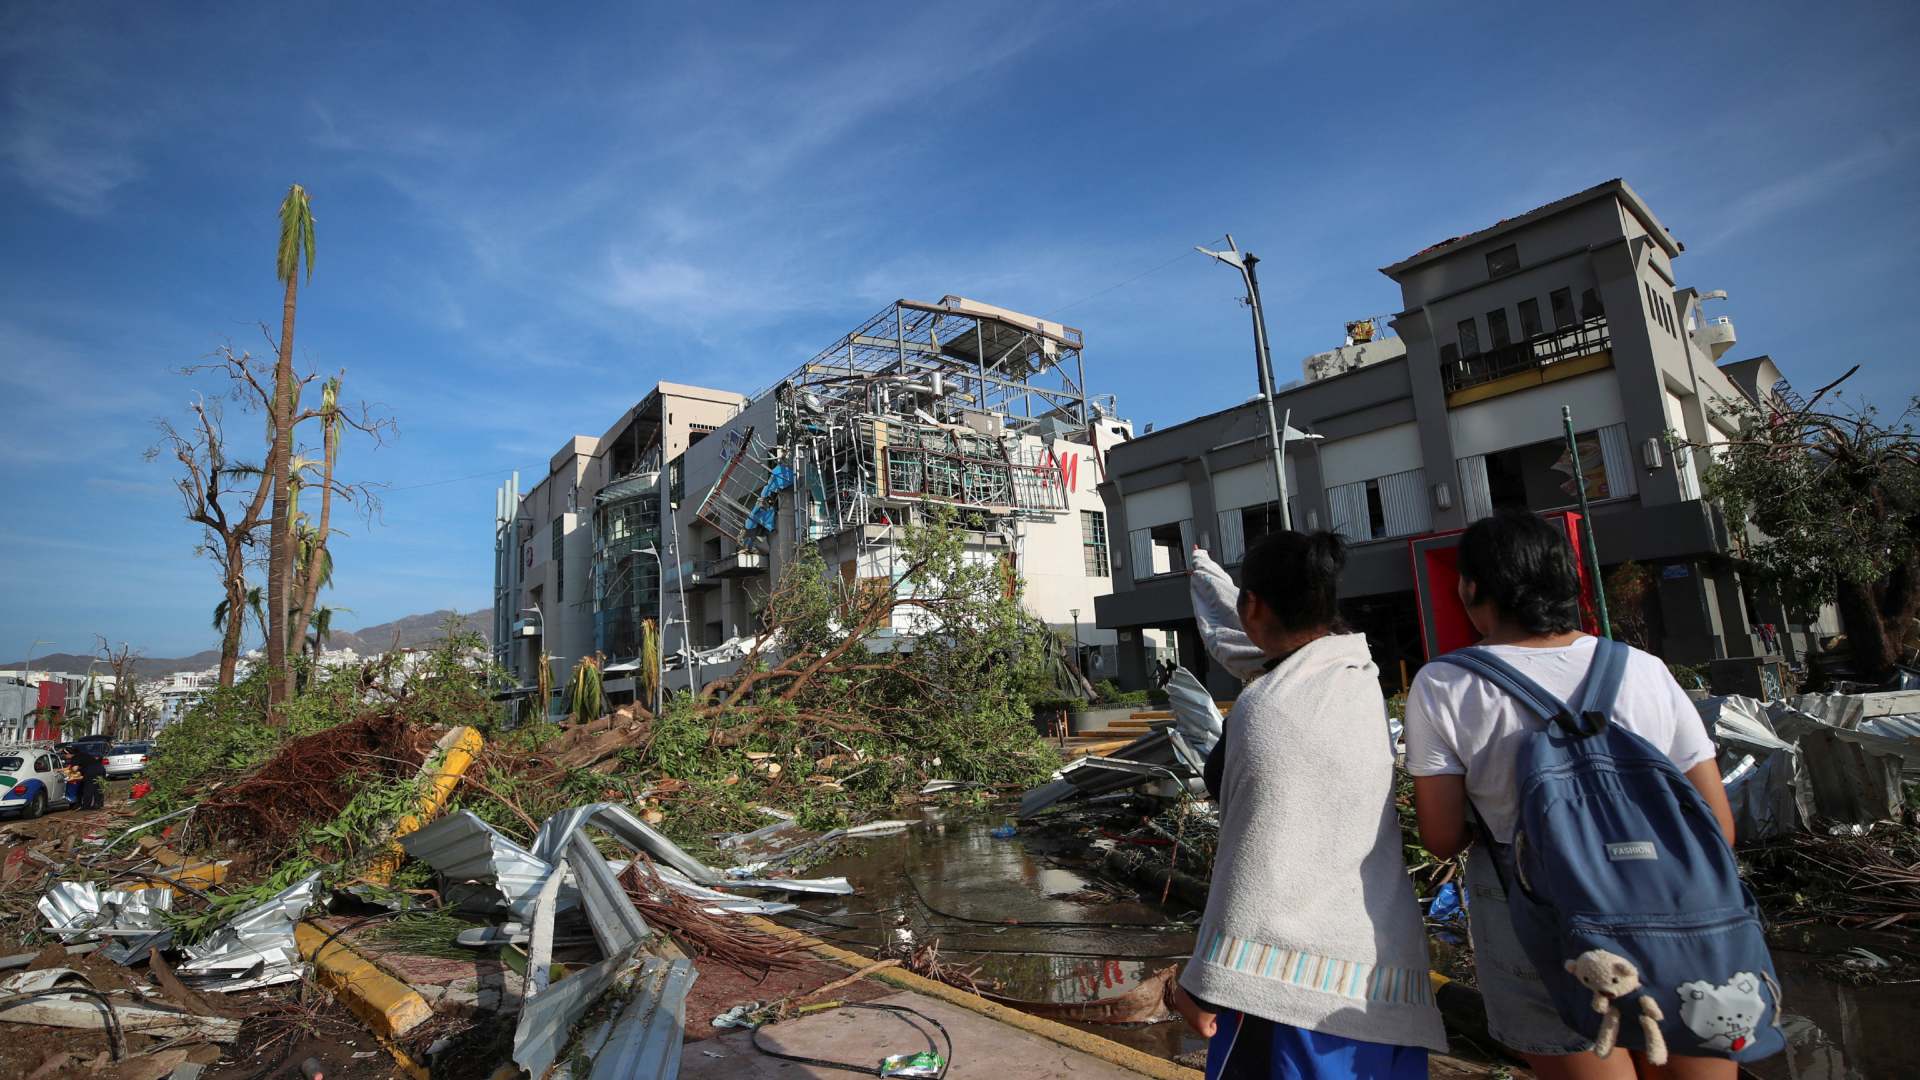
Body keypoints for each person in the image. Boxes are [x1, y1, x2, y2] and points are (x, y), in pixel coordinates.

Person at [1404, 510, 1736, 1080]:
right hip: (1675, 911)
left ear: (1472, 586)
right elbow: (1718, 827)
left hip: (1542, 924)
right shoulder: (1645, 669)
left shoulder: (1445, 684)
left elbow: (1440, 838)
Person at [1172, 530, 1445, 1079]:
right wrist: (1206, 572)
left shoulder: (1266, 707)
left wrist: (1205, 979)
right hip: (1376, 968)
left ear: (1255, 605)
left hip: (1289, 992)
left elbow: (1251, 860)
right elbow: (1238, 635)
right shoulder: (1355, 676)